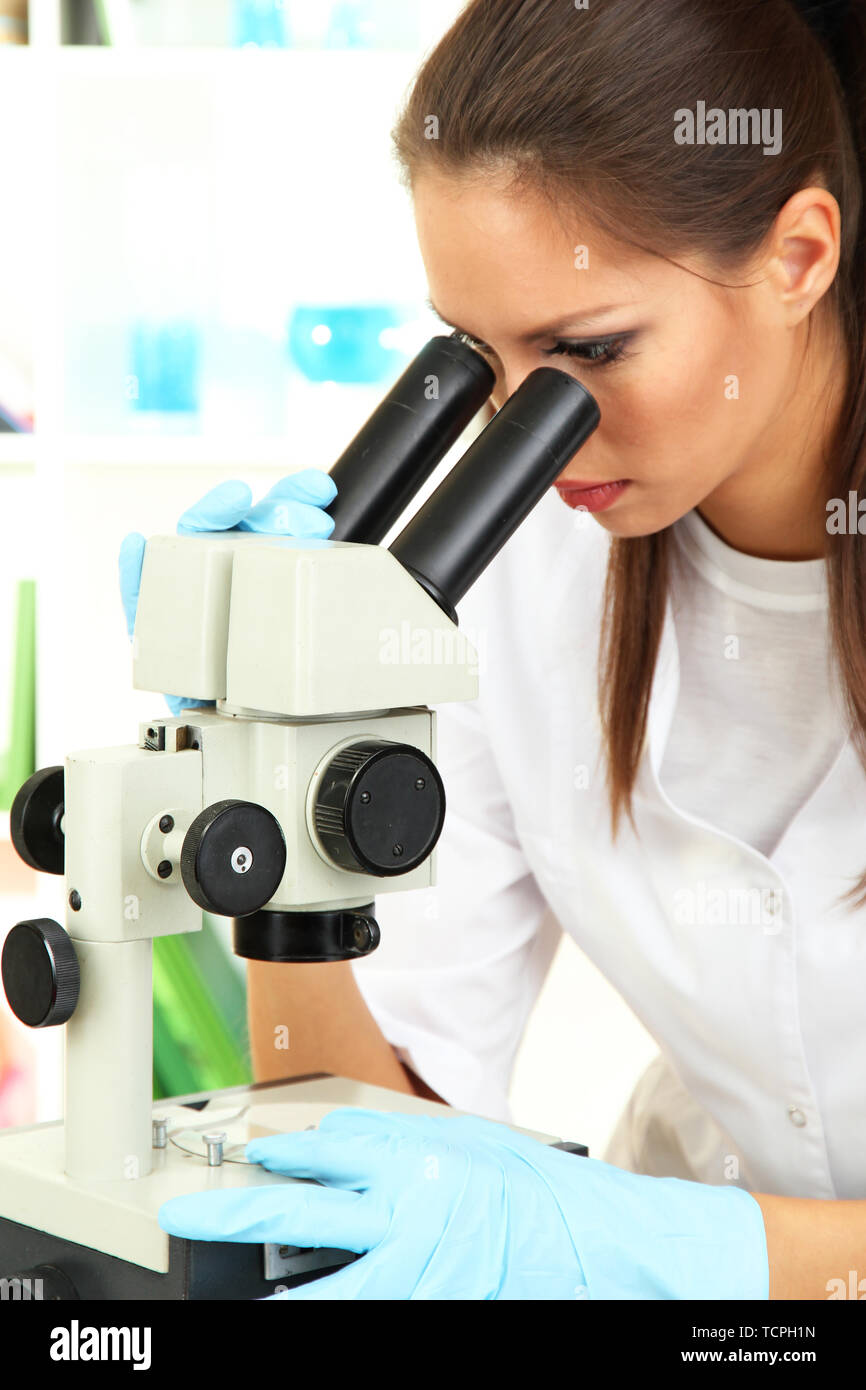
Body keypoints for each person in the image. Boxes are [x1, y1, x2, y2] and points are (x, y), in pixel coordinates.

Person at [150, 0, 866, 1298]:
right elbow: (362, 1133)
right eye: (479, 356)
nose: (528, 432)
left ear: (797, 255)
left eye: (586, 350)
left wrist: (673, 1248)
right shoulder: (515, 568)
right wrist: (278, 772)